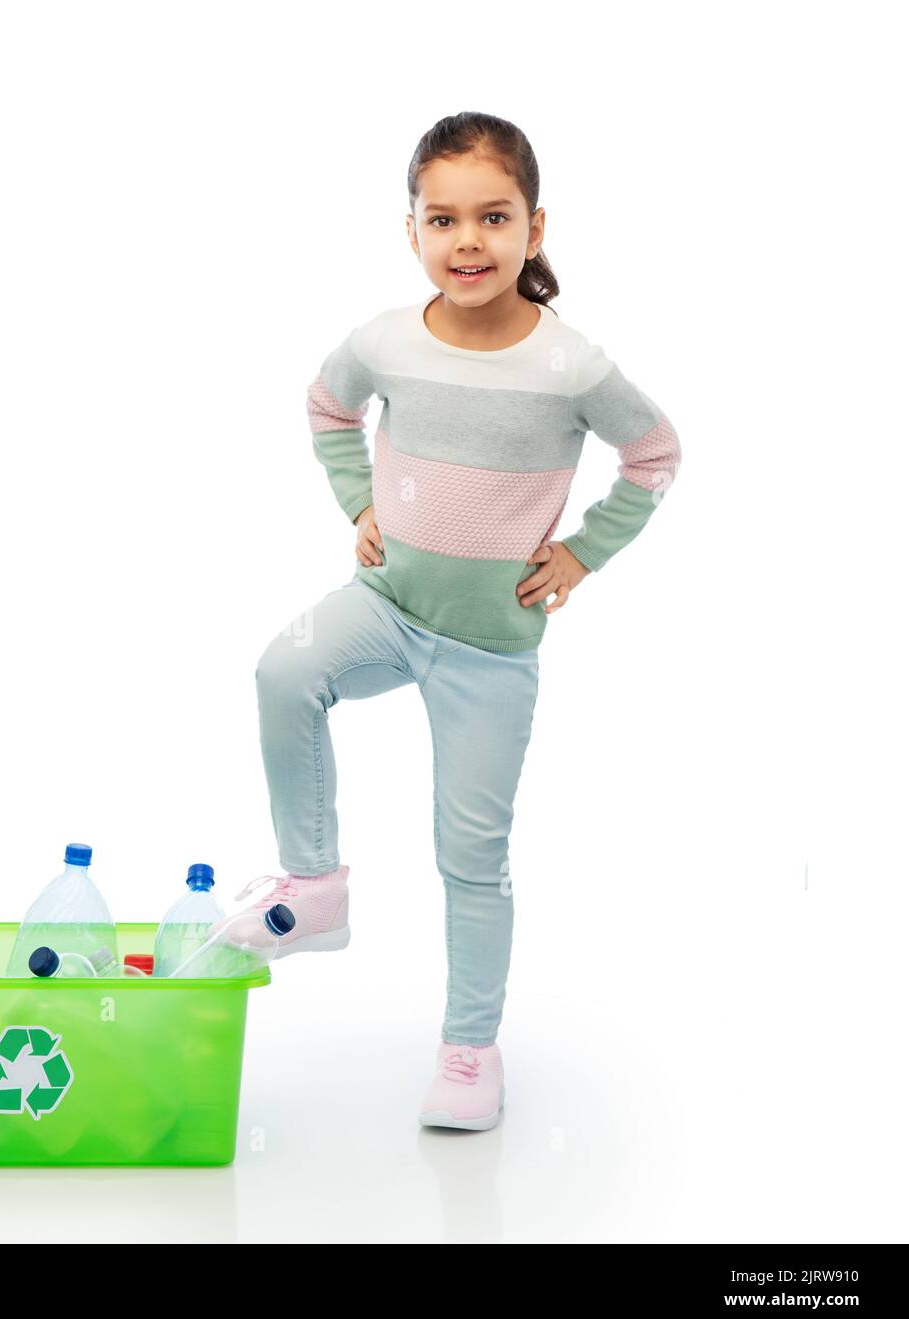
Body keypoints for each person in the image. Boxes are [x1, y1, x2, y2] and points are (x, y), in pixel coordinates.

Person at [235, 110, 682, 1131]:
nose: (468, 241)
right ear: (412, 232)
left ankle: (470, 1051)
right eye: (443, 219)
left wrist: (581, 552)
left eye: (492, 216)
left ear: (533, 226)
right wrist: (358, 503)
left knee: (469, 855)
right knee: (279, 672)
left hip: (489, 650)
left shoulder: (569, 364)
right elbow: (325, 406)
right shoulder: (386, 340)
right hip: (387, 606)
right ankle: (313, 883)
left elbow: (654, 455)